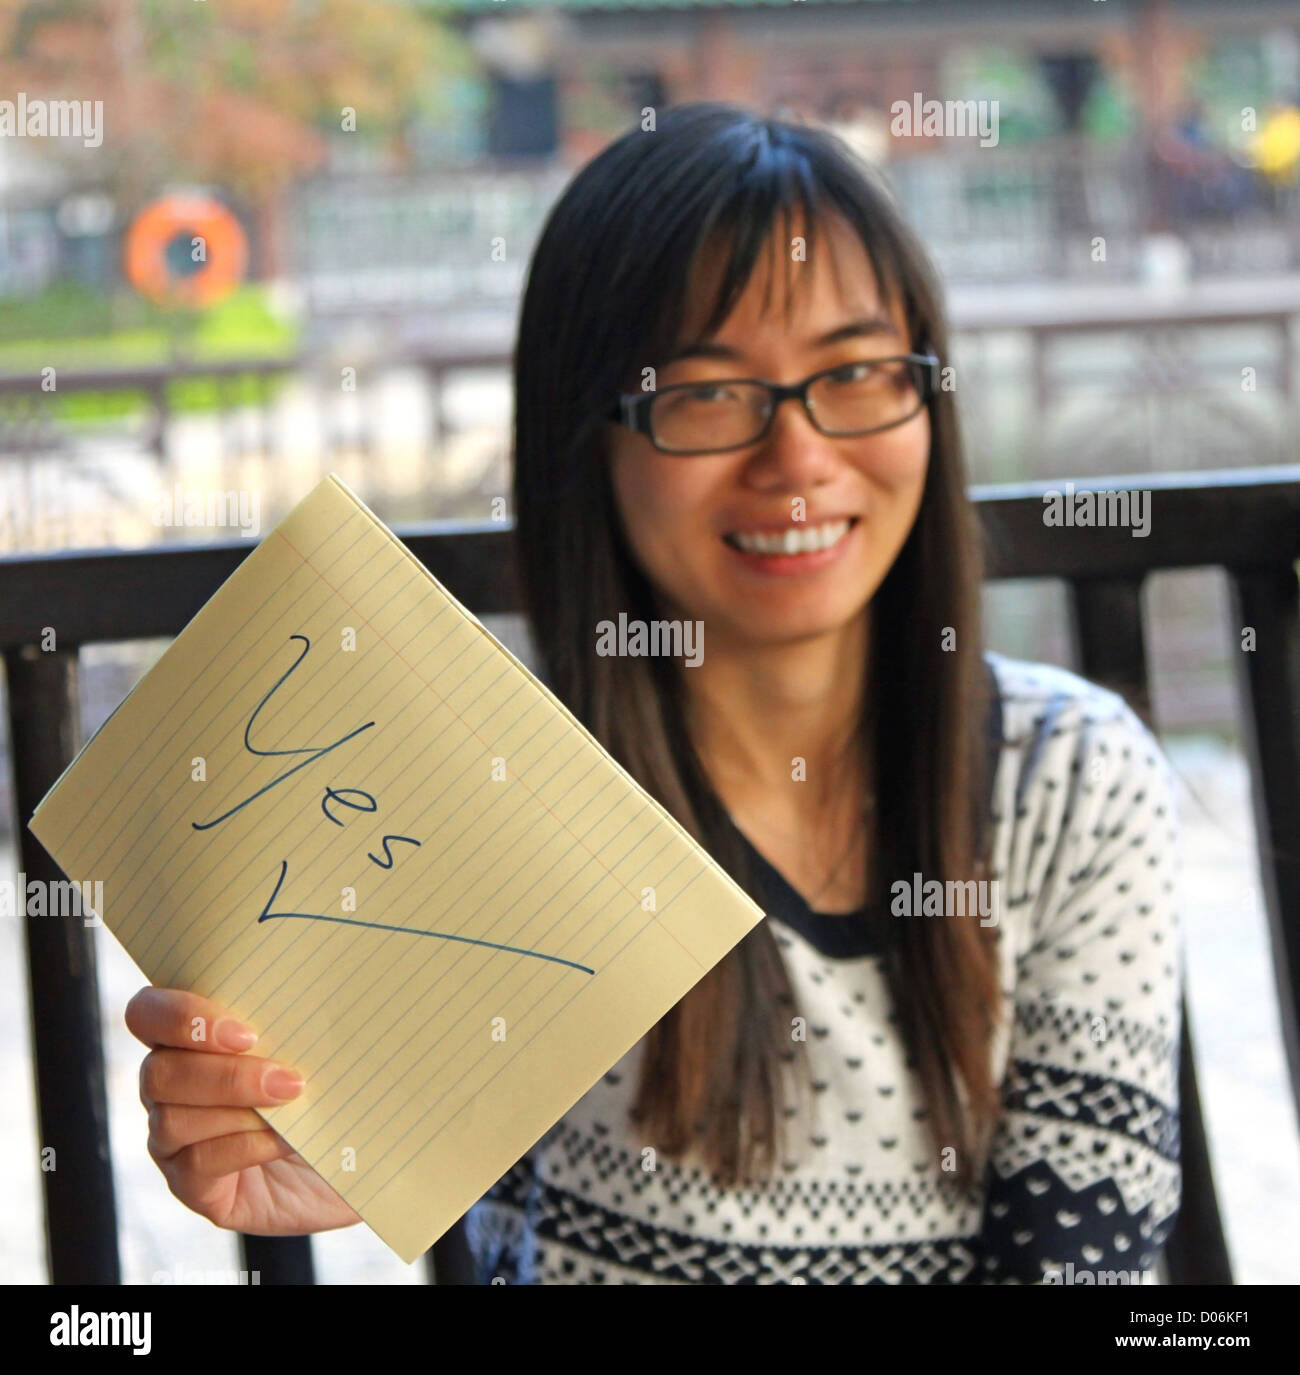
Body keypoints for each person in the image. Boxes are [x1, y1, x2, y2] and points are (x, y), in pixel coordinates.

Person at [126, 102, 1183, 1285]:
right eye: (709, 393)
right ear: (592, 436)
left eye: (856, 371)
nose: (796, 460)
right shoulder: (482, 798)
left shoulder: (1070, 779)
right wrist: (331, 1134)